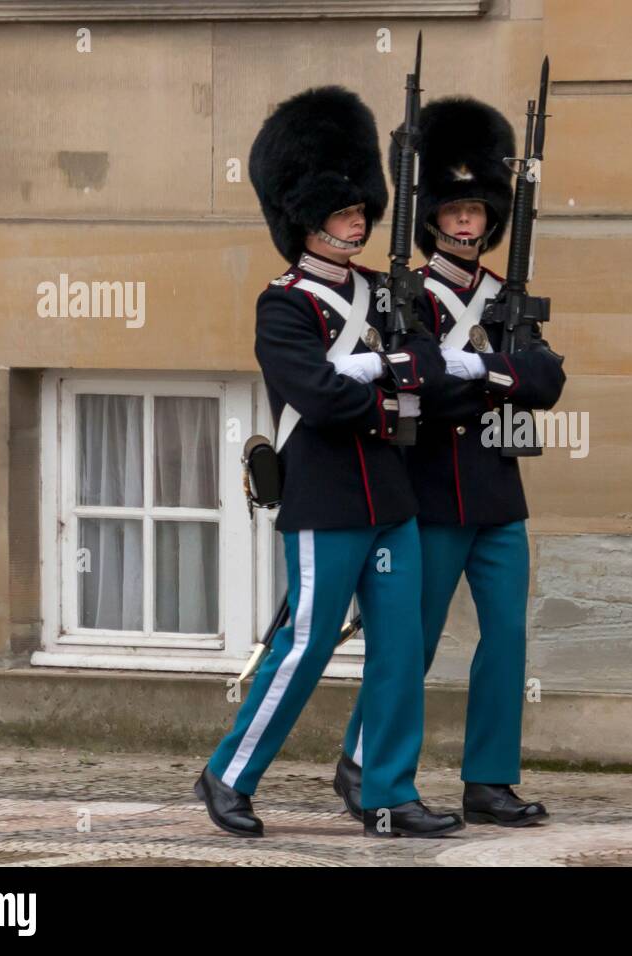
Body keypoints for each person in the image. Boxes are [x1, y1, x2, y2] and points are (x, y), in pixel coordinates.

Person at [194, 85, 460, 839]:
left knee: (402, 646)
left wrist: (407, 370)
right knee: (306, 643)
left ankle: (387, 788)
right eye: (345, 214)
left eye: (360, 212)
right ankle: (230, 772)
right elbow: (315, 395)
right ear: (309, 221)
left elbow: (433, 370)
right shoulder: (282, 305)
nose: (358, 222)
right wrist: (389, 385)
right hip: (324, 494)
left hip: (390, 497)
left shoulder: (387, 291)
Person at [333, 96, 566, 827]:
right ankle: (364, 763)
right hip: (428, 491)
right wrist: (491, 375)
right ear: (431, 216)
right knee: (413, 643)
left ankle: (489, 779)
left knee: (506, 639)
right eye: (454, 210)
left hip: (497, 494)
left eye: (476, 210)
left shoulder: (504, 295)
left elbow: (547, 380)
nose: (466, 222)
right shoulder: (407, 294)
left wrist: (481, 372)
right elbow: (421, 383)